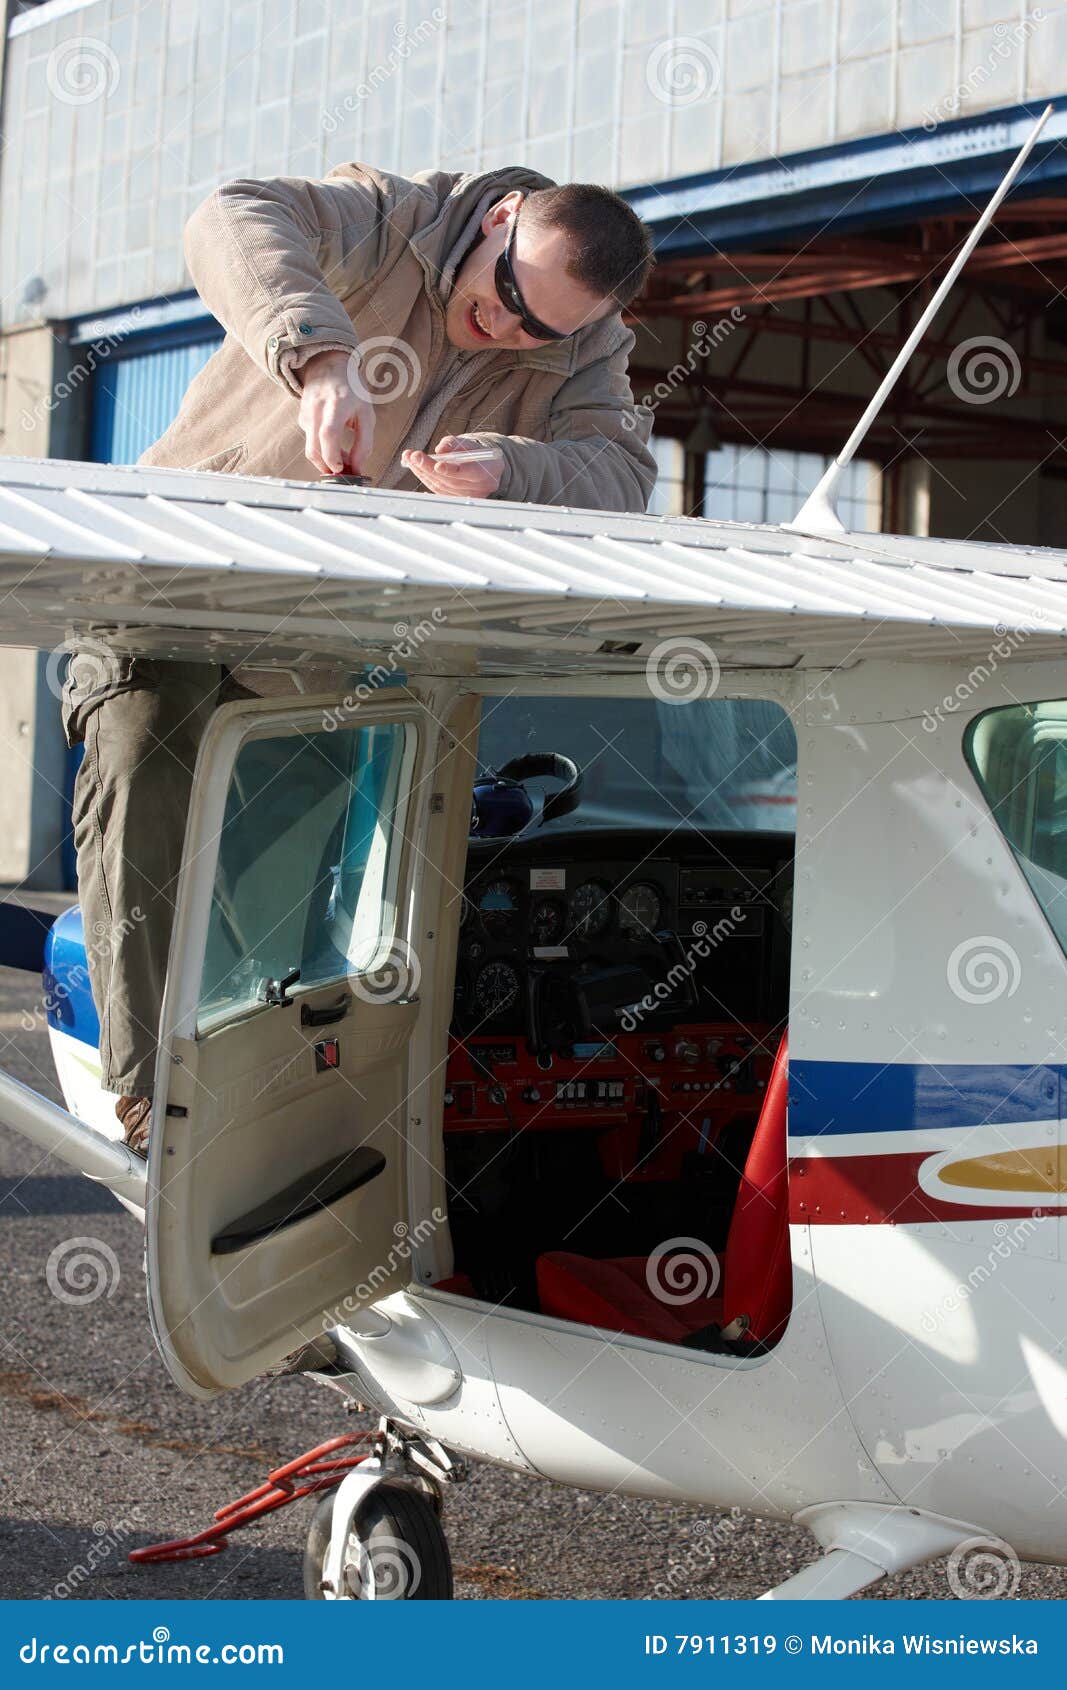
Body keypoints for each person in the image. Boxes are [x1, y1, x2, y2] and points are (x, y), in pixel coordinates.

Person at [62, 161, 657, 1156]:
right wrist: (321, 358)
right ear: (499, 219)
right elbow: (230, 215)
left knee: (273, 905)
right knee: (141, 750)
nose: (507, 328)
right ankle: (144, 1098)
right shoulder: (390, 220)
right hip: (170, 593)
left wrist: (514, 467)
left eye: (538, 332)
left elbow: (621, 475)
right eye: (506, 294)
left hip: (319, 653)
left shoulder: (588, 346)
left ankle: (246, 1134)